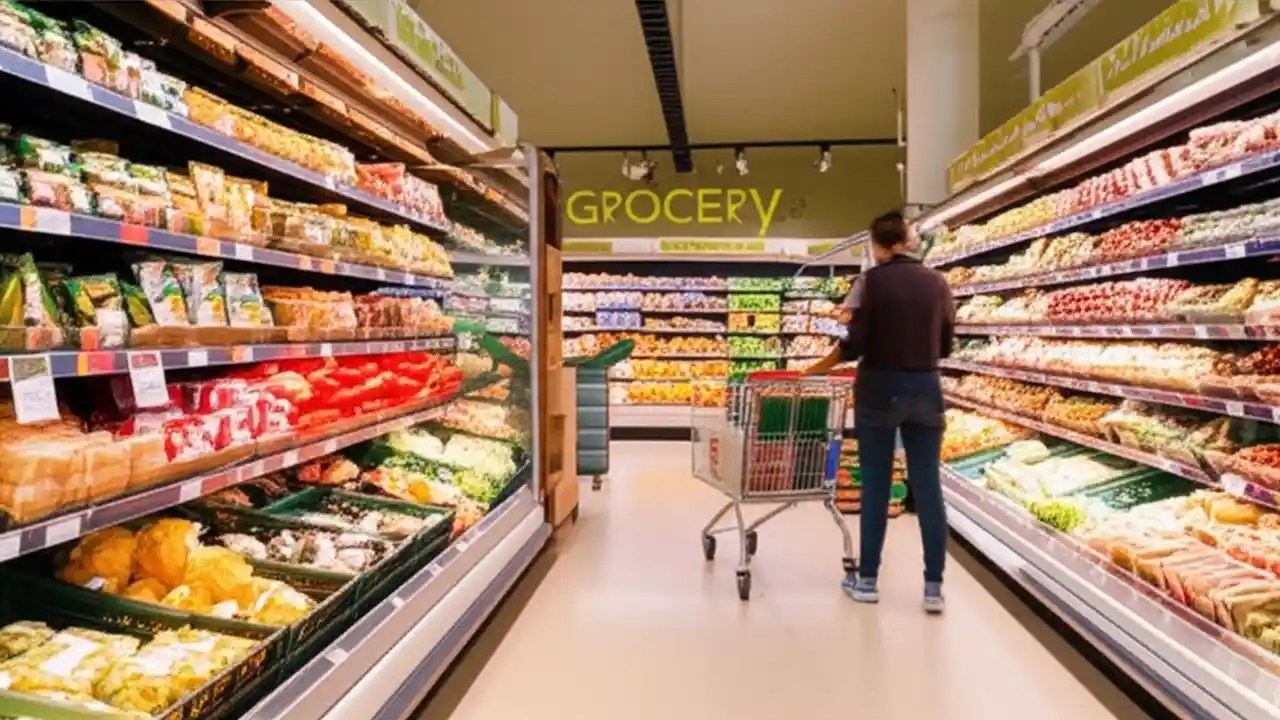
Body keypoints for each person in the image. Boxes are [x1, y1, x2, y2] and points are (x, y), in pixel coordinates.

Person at [805, 210, 954, 614]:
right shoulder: (938, 283)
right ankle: (933, 587)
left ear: (878, 244)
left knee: (876, 486)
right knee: (928, 489)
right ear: (906, 240)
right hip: (926, 390)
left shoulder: (870, 283)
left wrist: (813, 370)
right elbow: (945, 347)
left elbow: (852, 346)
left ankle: (868, 579)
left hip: (879, 391)